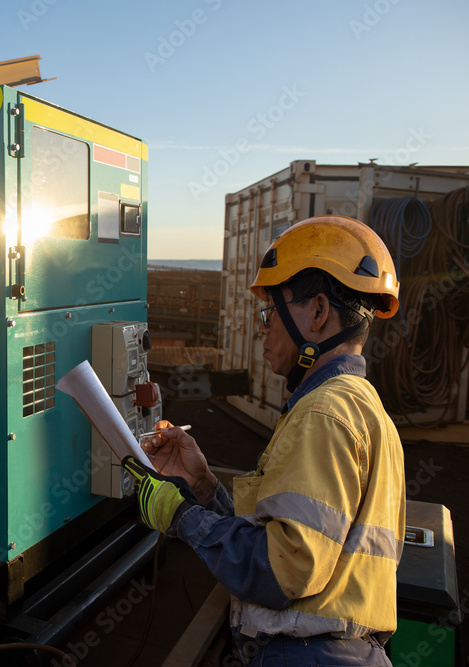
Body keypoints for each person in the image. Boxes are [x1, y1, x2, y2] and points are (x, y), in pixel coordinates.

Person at [122, 215, 406, 666]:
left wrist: (181, 514)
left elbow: (282, 570)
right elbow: (293, 536)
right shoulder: (360, 405)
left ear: (317, 312)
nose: (262, 327)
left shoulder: (323, 413)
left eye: (269, 311)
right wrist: (203, 487)